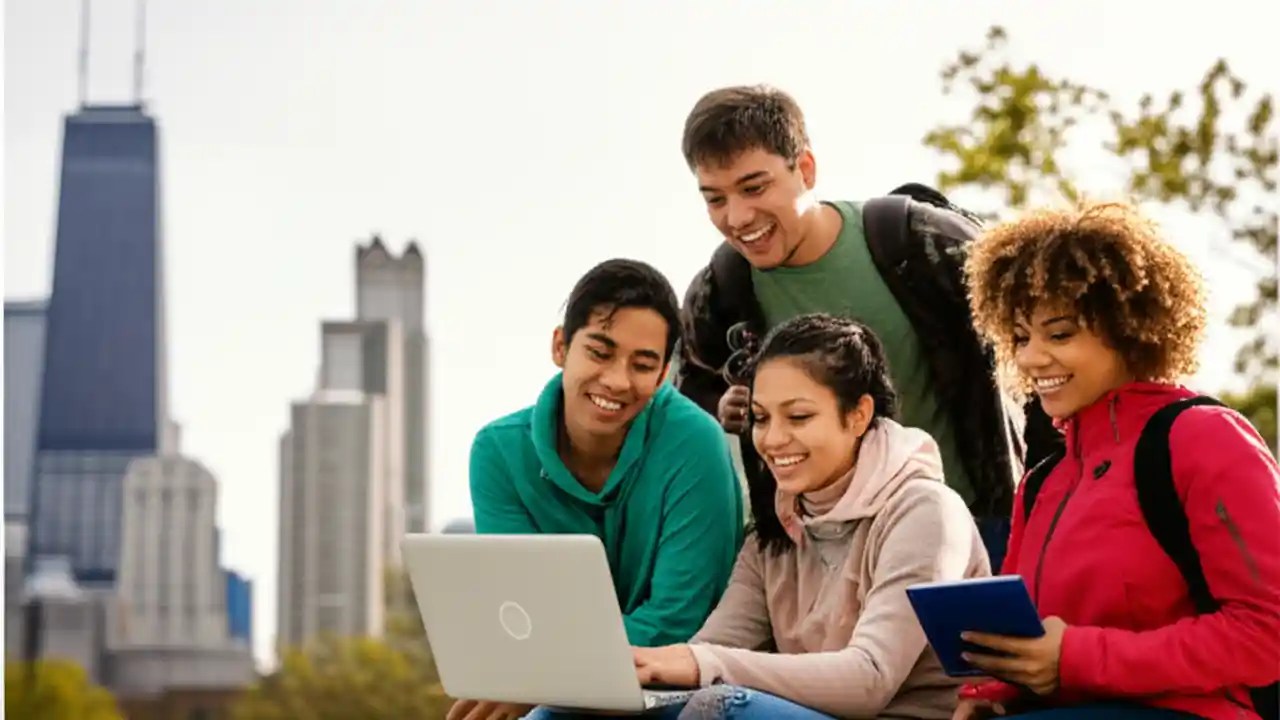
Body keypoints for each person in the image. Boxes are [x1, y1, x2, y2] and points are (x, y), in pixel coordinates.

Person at [528, 314, 993, 719]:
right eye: (761, 418)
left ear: (857, 415)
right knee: (567, 712)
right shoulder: (774, 529)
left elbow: (870, 679)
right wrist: (631, 678)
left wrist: (698, 664)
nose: (772, 440)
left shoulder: (925, 512)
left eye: (798, 417)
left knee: (727, 707)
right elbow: (717, 646)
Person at [673, 84, 1058, 571]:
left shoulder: (920, 242)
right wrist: (726, 408)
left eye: (754, 188)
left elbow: (1053, 342)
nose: (738, 216)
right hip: (823, 561)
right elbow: (687, 404)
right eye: (715, 199)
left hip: (974, 535)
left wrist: (1054, 489)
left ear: (804, 169)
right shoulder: (721, 291)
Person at [953, 201, 1280, 720]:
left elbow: (1267, 633)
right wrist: (995, 690)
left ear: (1130, 329)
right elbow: (1029, 636)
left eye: (1059, 334)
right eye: (1020, 337)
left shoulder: (1203, 438)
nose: (1031, 358)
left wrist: (1076, 657)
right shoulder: (1042, 481)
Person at [450, 259, 745, 720]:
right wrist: (549, 678)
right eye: (599, 352)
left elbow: (678, 617)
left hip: (684, 684)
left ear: (666, 372)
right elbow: (526, 615)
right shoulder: (497, 452)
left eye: (642, 364)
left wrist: (544, 680)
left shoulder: (696, 442)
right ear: (560, 346)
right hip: (570, 686)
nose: (616, 380)